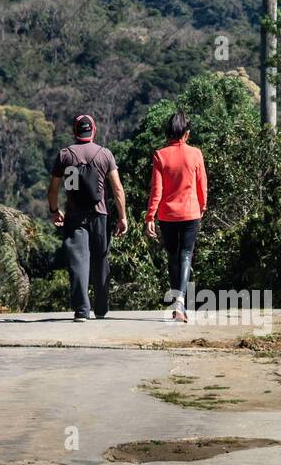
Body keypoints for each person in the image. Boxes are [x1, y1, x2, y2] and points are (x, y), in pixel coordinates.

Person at [47, 114, 128, 321]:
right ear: (94, 131)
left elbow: (54, 189)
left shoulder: (65, 155)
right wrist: (122, 217)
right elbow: (117, 189)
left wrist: (54, 210)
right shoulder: (105, 154)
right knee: (101, 260)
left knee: (78, 262)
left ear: (74, 132)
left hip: (74, 216)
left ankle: (82, 310)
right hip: (100, 215)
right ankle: (101, 308)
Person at [145, 111, 207, 323]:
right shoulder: (196, 154)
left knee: (173, 256)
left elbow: (157, 190)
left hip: (168, 215)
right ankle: (180, 304)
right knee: (186, 255)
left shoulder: (160, 155)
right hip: (191, 212)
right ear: (186, 134)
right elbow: (202, 187)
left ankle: (177, 303)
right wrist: (202, 207)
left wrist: (150, 216)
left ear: (167, 134)